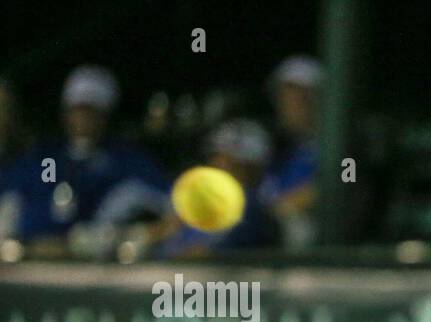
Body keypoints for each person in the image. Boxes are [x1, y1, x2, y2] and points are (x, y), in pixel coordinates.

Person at [0, 65, 168, 250]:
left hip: (93, 266)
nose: (82, 117)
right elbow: (10, 201)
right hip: (27, 259)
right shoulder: (40, 157)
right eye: (76, 109)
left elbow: (170, 209)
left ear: (106, 114)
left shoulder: (128, 162)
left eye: (91, 110)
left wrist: (128, 237)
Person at [154, 119, 278, 256]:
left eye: (231, 161)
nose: (219, 165)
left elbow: (205, 256)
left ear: (251, 167)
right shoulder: (205, 201)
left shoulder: (249, 208)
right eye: (217, 157)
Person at [260, 55, 321, 248]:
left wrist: (273, 212)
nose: (289, 106)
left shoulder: (338, 147)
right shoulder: (279, 148)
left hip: (308, 256)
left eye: (301, 97)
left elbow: (341, 188)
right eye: (284, 97)